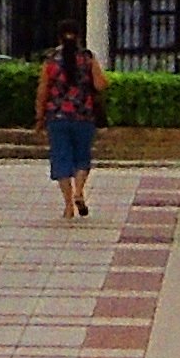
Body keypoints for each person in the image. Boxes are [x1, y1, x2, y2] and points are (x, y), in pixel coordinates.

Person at [36, 24, 107, 221]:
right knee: (82, 157)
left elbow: (43, 90)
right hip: (84, 116)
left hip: (57, 118)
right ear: (78, 37)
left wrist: (39, 117)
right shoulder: (87, 57)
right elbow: (101, 84)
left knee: (61, 159)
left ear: (59, 38)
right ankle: (79, 192)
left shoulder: (50, 60)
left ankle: (68, 206)